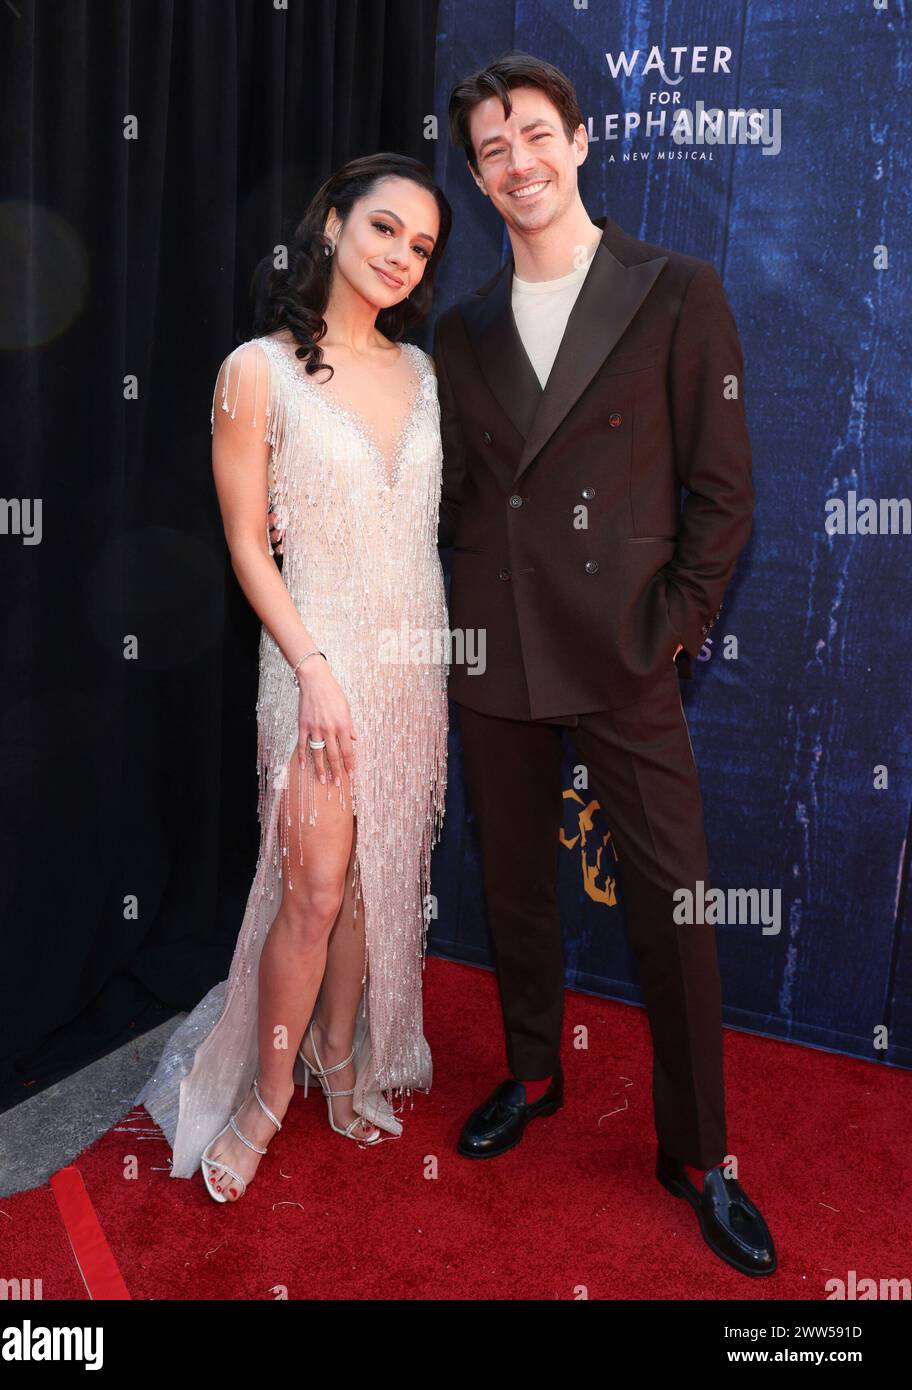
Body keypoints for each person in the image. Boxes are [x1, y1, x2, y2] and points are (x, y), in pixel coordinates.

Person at [429, 51, 776, 1276]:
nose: (515, 162)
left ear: (579, 141)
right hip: (495, 649)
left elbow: (724, 491)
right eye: (489, 150)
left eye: (532, 134)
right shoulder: (459, 328)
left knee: (676, 906)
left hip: (625, 653)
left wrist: (675, 625)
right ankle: (533, 1073)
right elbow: (457, 495)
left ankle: (697, 1153)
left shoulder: (678, 290)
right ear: (474, 178)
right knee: (513, 885)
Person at [135, 153, 452, 1202]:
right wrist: (312, 666)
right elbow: (247, 546)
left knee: (374, 881)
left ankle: (340, 1055)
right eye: (384, 230)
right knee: (314, 890)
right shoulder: (253, 370)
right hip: (314, 660)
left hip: (411, 656)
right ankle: (268, 1091)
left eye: (421, 247)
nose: (401, 257)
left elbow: (408, 527)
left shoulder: (423, 373)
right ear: (331, 225)